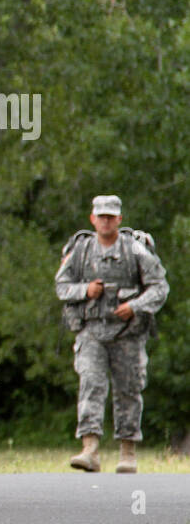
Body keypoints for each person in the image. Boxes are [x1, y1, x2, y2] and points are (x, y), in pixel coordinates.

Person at [55, 195, 168, 473]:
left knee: (129, 389)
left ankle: (127, 452)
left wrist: (135, 305)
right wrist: (85, 291)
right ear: (92, 218)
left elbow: (160, 287)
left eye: (110, 216)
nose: (105, 221)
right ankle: (90, 449)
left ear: (119, 219)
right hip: (91, 331)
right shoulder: (80, 251)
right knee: (91, 385)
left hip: (128, 333)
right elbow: (61, 286)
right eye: (100, 216)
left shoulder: (135, 250)